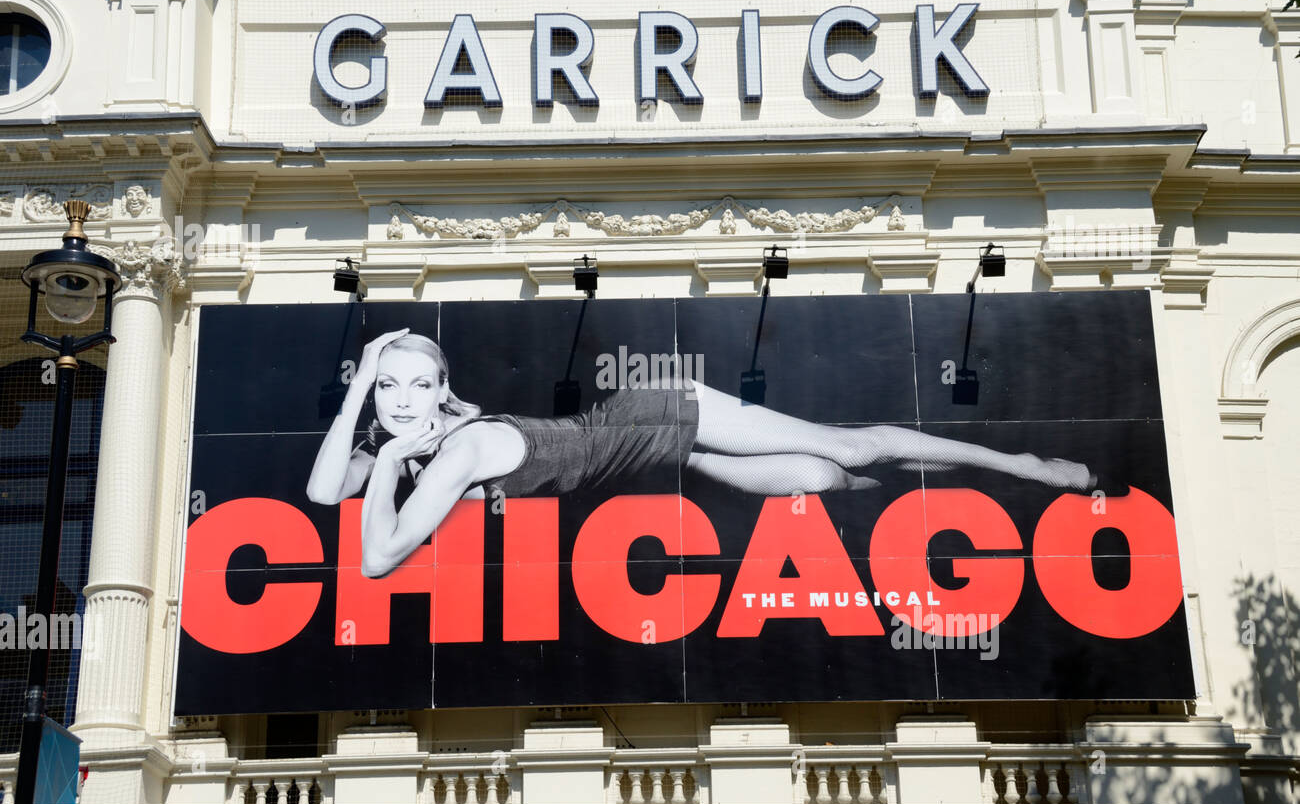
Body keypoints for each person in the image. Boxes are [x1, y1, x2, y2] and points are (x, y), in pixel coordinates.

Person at [307, 329, 1095, 578]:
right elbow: (320, 492)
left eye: (415, 384)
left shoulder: (456, 449)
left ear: (442, 388)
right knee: (828, 478)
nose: (399, 400)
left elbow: (379, 555)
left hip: (660, 416)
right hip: (660, 460)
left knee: (856, 445)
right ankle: (953, 499)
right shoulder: (408, 447)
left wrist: (387, 453)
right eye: (386, 387)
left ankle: (1026, 467)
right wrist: (355, 397)